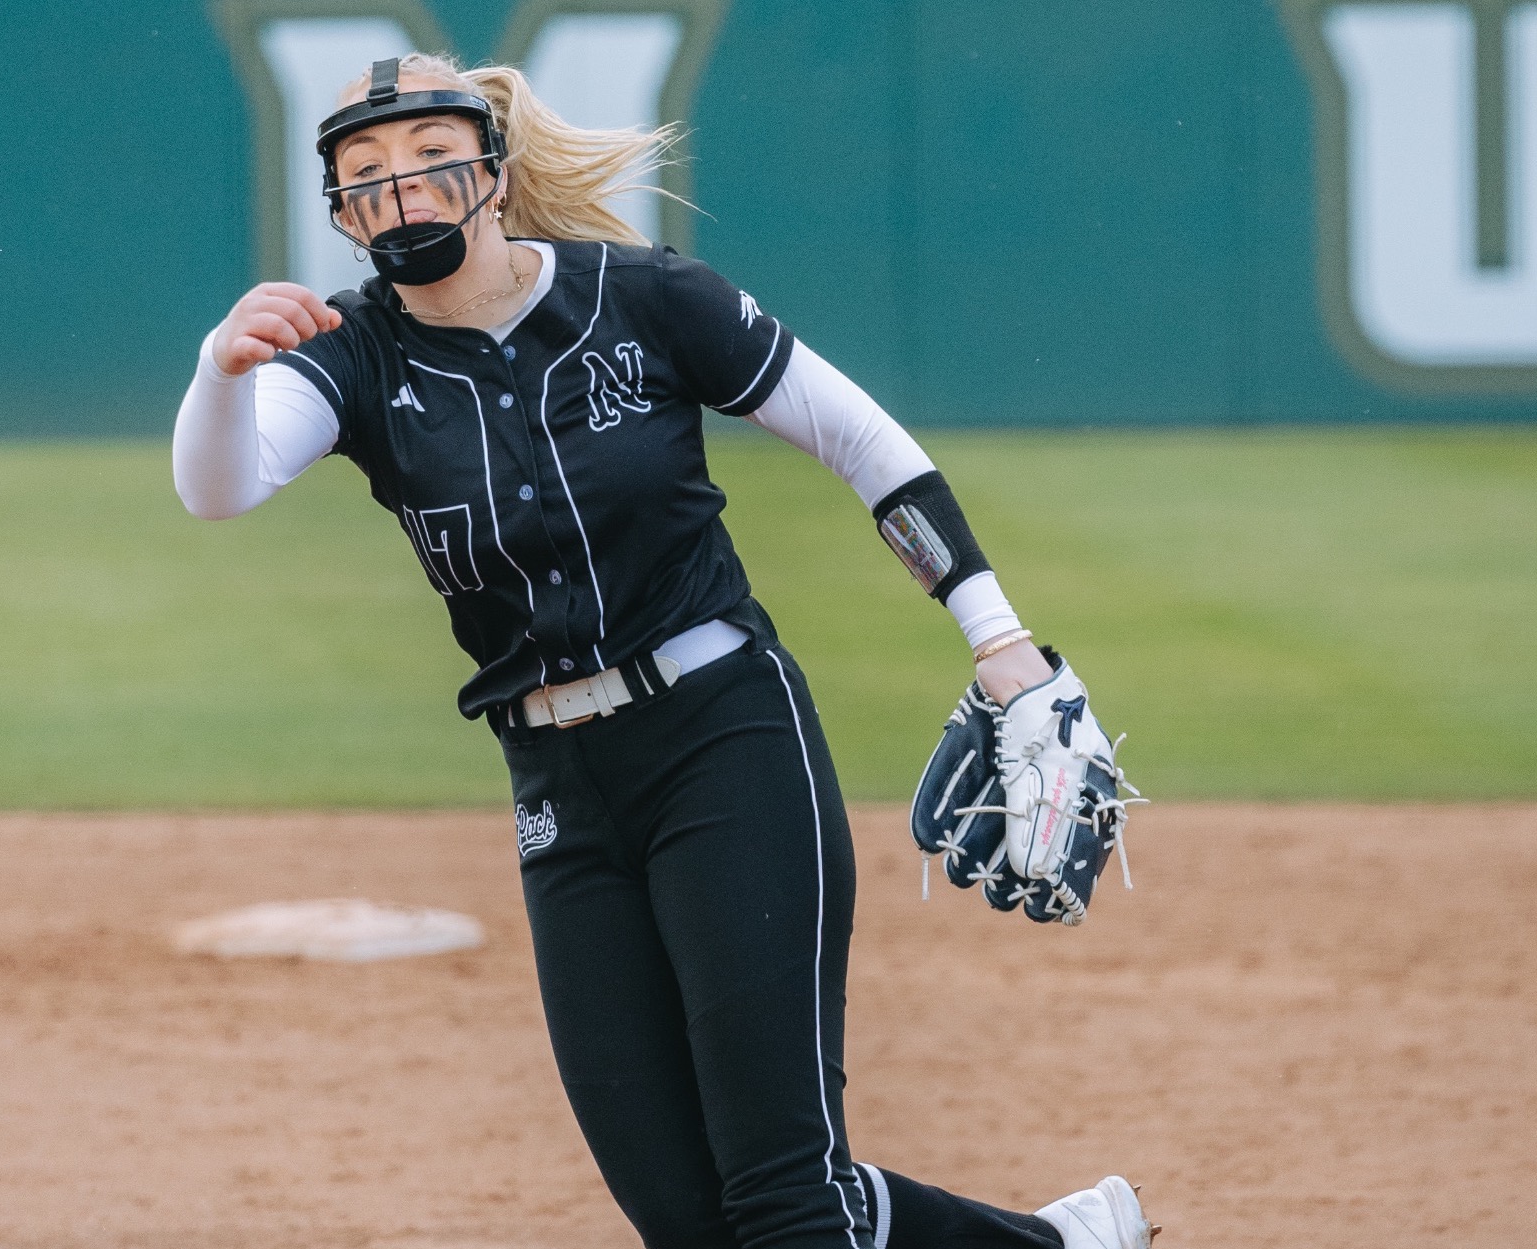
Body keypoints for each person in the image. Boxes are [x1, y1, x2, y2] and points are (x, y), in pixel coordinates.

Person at [172, 54, 1156, 1249]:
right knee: (688, 1219)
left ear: (491, 172)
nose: (402, 192)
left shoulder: (643, 299)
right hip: (558, 797)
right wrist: (222, 371)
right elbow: (218, 487)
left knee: (786, 1205)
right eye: (367, 175)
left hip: (723, 741)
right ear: (340, 209)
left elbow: (860, 439)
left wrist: (1000, 644)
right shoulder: (357, 359)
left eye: (431, 161)